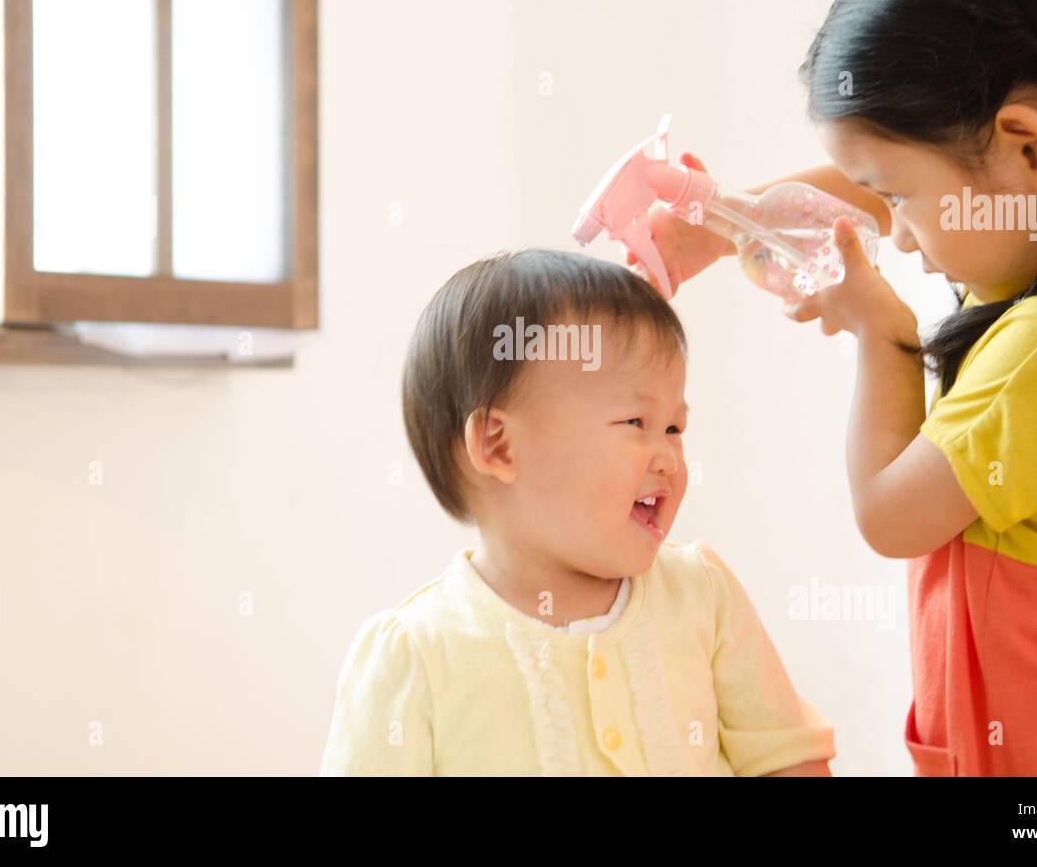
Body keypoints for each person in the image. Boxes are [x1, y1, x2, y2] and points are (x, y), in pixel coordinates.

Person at [641, 0, 1037, 775]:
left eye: (898, 201)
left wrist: (882, 333)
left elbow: (891, 515)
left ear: (1027, 149)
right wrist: (726, 224)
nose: (897, 236)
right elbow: (899, 177)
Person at [320, 250, 835, 775]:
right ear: (499, 446)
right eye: (635, 421)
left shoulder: (702, 596)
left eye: (674, 428)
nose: (668, 457)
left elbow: (789, 761)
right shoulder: (417, 655)